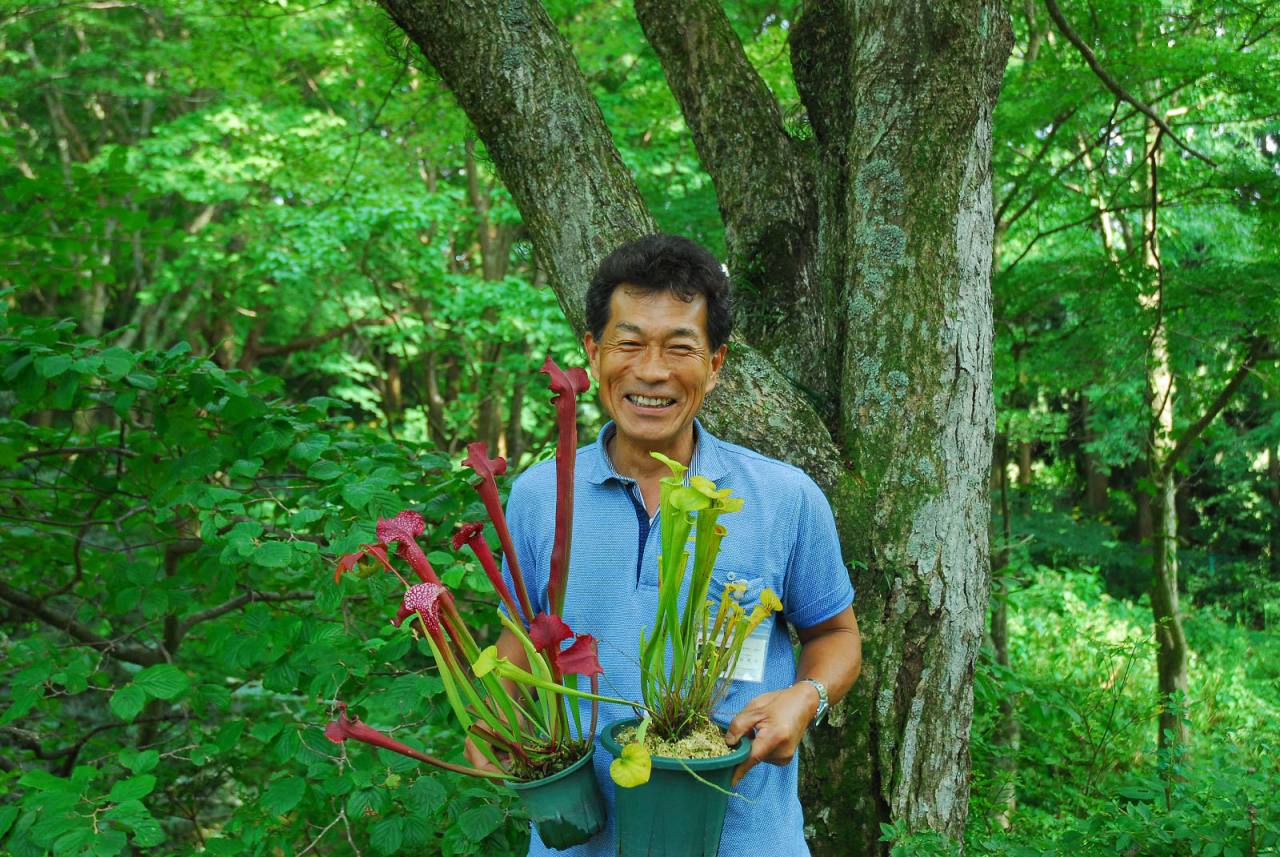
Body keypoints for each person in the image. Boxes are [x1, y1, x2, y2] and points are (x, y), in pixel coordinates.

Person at [467, 234, 862, 856]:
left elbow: (836, 635)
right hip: (581, 842)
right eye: (628, 343)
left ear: (715, 362)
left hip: (746, 840)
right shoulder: (541, 496)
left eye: (680, 347)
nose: (651, 371)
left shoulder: (785, 497)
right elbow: (524, 632)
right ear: (594, 352)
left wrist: (804, 699)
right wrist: (496, 715)